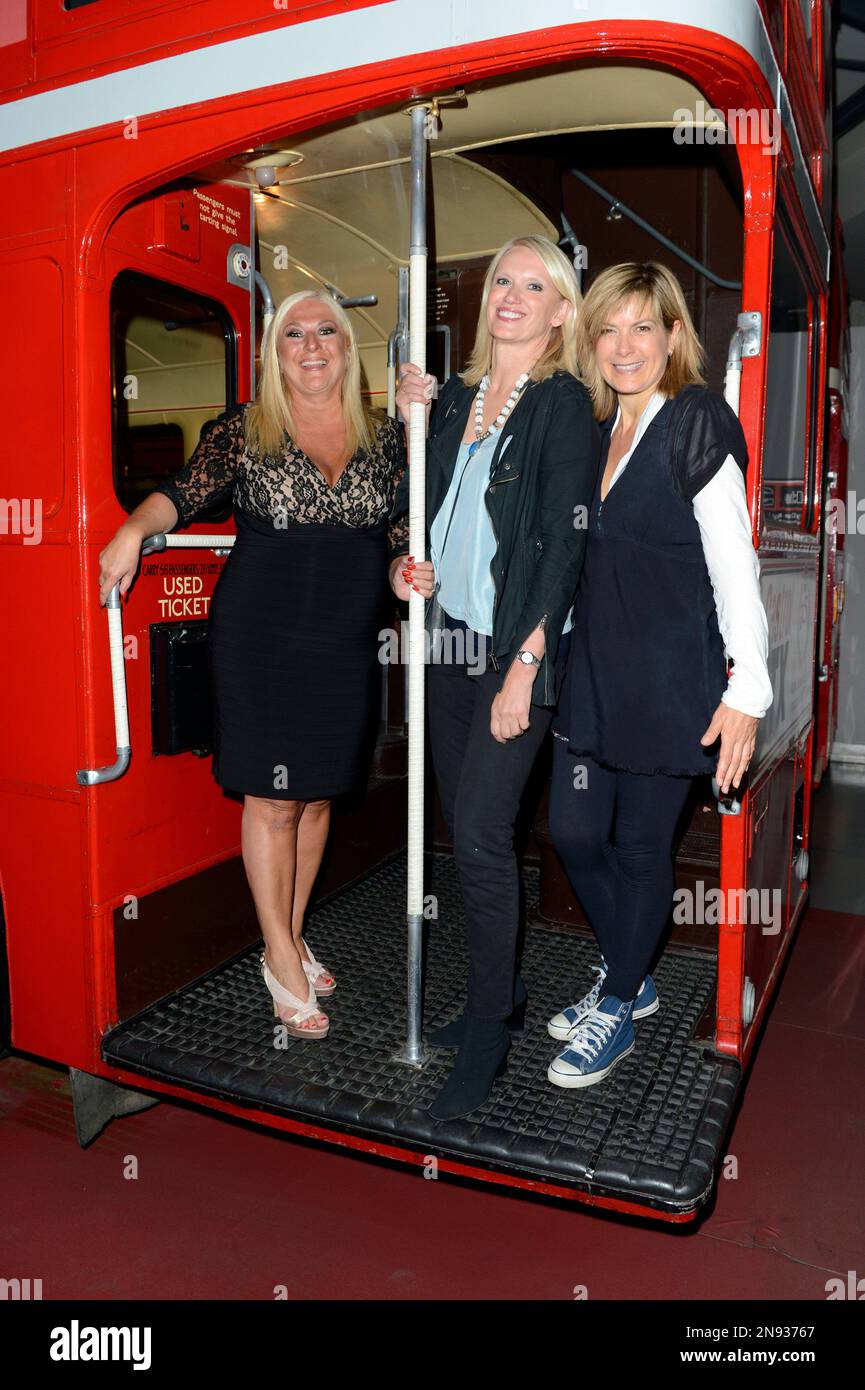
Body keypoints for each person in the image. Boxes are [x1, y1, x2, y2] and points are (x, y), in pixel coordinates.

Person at [98, 289, 408, 1041]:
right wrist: (133, 529)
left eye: (326, 331)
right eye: (293, 333)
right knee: (272, 802)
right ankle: (277, 955)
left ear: (347, 347)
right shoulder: (245, 429)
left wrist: (402, 570)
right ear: (274, 354)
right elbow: (180, 494)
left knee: (317, 797)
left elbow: (400, 528)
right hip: (263, 640)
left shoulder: (388, 437)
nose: (311, 345)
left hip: (343, 643)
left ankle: (292, 935)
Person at [546, 261, 773, 1089]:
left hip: (669, 681)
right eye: (607, 329)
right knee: (573, 834)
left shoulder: (694, 420)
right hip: (592, 674)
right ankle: (631, 973)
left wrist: (746, 690)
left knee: (641, 849)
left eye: (642, 326)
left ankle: (615, 1004)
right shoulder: (596, 429)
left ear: (673, 336)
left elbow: (733, 563)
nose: (623, 345)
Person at [391, 235, 600, 1120]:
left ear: (561, 312)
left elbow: (561, 545)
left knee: (478, 836)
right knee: (465, 826)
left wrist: (525, 667)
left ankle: (487, 1035)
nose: (511, 295)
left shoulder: (563, 403)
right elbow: (417, 516)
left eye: (534, 285)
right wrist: (406, 564)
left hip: (511, 651)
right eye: (502, 281)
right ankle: (502, 992)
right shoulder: (457, 399)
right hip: (446, 644)